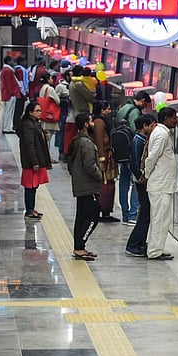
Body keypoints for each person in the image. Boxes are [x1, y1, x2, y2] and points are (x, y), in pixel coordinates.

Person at [143, 106, 178, 260]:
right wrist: (147, 173)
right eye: (174, 117)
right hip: (160, 184)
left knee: (161, 218)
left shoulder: (161, 133)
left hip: (163, 183)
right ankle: (154, 251)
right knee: (159, 218)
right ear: (166, 118)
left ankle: (156, 248)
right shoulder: (162, 135)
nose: (176, 120)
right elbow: (151, 157)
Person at [67, 112, 103, 261]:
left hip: (80, 185)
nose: (93, 123)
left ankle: (79, 247)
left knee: (81, 217)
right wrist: (100, 176)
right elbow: (90, 165)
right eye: (91, 121)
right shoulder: (87, 143)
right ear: (86, 125)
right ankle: (80, 246)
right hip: (89, 187)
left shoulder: (76, 141)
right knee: (93, 217)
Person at [114, 91, 150, 225]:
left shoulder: (123, 108)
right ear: (141, 100)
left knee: (123, 184)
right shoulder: (135, 112)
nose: (145, 106)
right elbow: (137, 131)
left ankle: (124, 214)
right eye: (145, 103)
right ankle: (132, 214)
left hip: (122, 152)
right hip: (132, 152)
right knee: (136, 183)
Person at [125, 115, 156, 258]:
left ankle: (140, 243)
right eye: (151, 126)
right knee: (144, 214)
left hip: (142, 182)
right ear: (144, 126)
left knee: (146, 214)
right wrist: (141, 178)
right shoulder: (138, 141)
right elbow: (136, 163)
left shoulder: (142, 140)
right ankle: (133, 244)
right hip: (141, 183)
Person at [17, 101, 51, 219]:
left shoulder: (35, 123)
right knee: (30, 186)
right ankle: (29, 209)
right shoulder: (28, 125)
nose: (39, 113)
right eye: (37, 111)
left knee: (34, 186)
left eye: (40, 110)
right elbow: (29, 144)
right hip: (31, 161)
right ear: (30, 112)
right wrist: (34, 162)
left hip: (36, 158)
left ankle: (31, 208)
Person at [91, 101, 120, 222]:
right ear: (102, 110)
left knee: (109, 183)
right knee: (106, 183)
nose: (109, 111)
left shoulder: (100, 121)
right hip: (105, 158)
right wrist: (102, 158)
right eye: (107, 109)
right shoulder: (99, 122)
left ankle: (106, 209)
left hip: (107, 156)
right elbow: (99, 140)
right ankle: (103, 209)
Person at [37, 74, 62, 151]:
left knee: (44, 136)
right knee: (48, 136)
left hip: (43, 113)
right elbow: (58, 101)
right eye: (51, 78)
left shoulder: (42, 88)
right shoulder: (50, 89)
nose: (52, 80)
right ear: (47, 80)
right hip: (50, 114)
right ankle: (47, 157)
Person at [0, 57, 22, 135]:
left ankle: (5, 127)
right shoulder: (8, 71)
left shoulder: (4, 70)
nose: (13, 62)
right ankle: (7, 128)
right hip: (10, 94)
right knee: (9, 111)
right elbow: (9, 84)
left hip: (6, 93)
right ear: (8, 61)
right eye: (12, 60)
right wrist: (13, 93)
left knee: (6, 111)